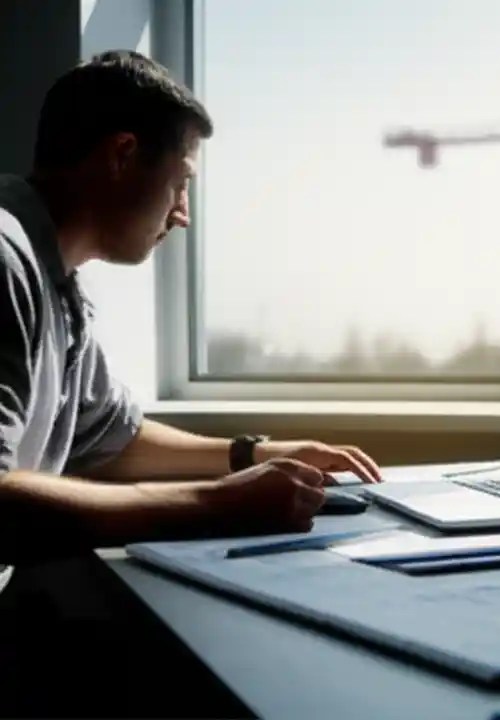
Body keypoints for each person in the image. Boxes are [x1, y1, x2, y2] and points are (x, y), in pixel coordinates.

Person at [0, 49, 385, 570]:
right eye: (180, 184)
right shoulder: (6, 261)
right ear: (123, 155)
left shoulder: (59, 283)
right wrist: (216, 504)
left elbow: (116, 439)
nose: (182, 214)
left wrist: (257, 456)